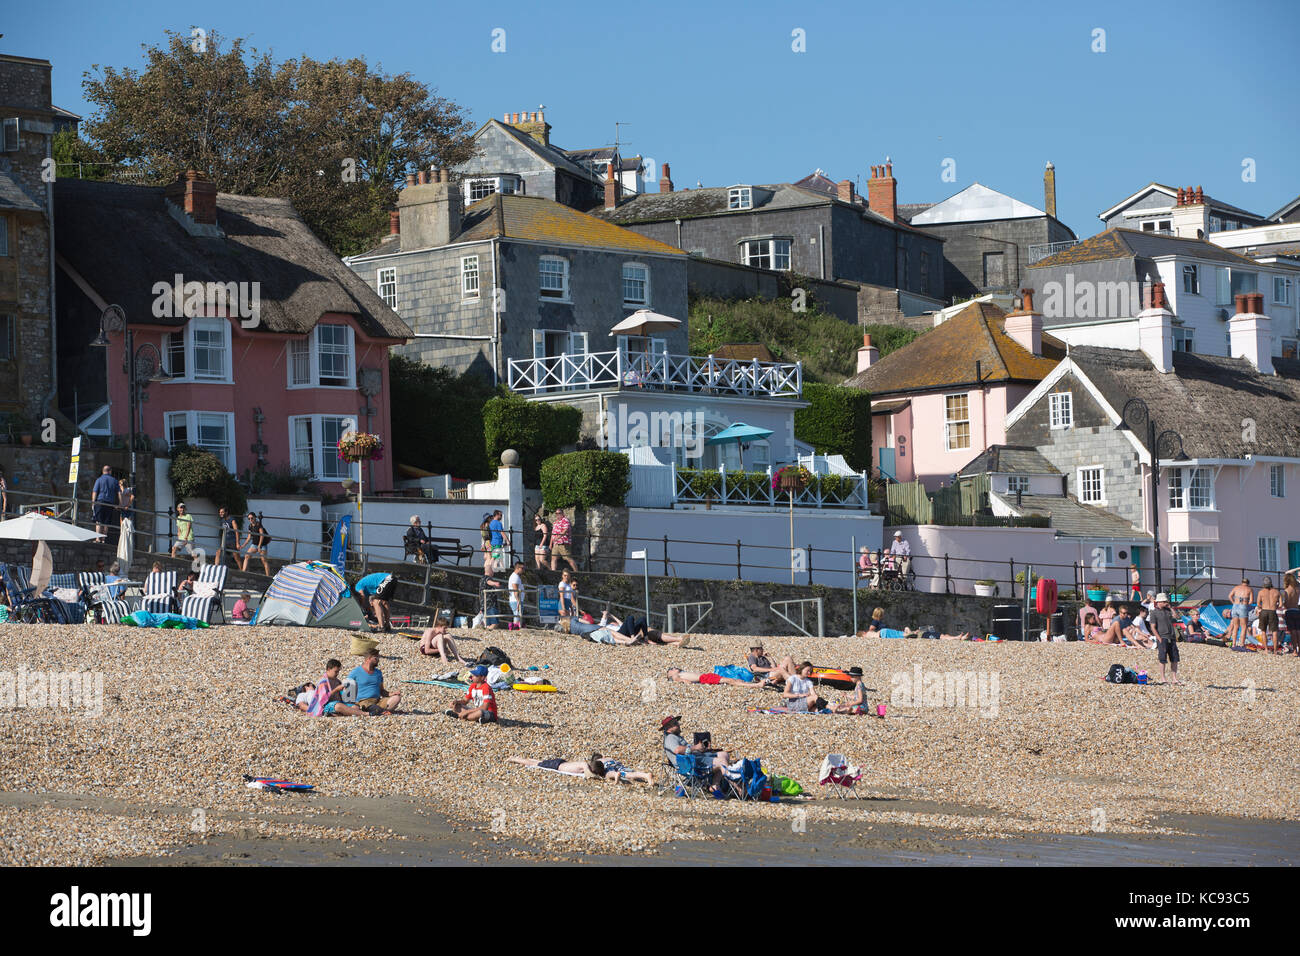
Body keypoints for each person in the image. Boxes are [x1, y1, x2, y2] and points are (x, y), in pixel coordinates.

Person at [660, 715, 730, 793]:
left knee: (724, 754)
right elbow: (677, 750)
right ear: (668, 728)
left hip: (695, 759)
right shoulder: (670, 738)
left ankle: (715, 784)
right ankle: (737, 787)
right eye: (675, 723)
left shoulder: (677, 737)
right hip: (690, 765)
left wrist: (702, 749)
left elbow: (688, 750)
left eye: (677, 722)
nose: (678, 724)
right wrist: (695, 747)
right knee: (722, 762)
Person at [348, 648, 401, 714]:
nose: (378, 660)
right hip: (363, 701)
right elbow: (347, 687)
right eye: (376, 658)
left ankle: (379, 711)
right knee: (367, 705)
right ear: (369, 658)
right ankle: (380, 711)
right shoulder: (356, 672)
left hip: (378, 701)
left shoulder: (378, 673)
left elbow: (382, 690)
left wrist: (391, 694)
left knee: (396, 698)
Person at [1149, 593, 1182, 685]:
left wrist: (1170, 607)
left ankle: (1174, 678)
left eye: (1166, 601)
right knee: (1162, 658)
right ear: (1159, 602)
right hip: (1162, 637)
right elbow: (1152, 627)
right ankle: (1163, 678)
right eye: (1164, 601)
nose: (1165, 603)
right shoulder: (1154, 612)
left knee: (1174, 658)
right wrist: (1158, 638)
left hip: (1171, 637)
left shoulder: (1168, 610)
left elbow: (1177, 617)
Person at [508, 755, 605, 778]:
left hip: (560, 763)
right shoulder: (584, 765)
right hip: (557, 765)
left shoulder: (585, 765)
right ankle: (514, 759)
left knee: (540, 762)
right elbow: (589, 774)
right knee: (534, 764)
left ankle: (523, 758)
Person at [1256, 577, 1282, 654]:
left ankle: (1266, 650)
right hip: (1273, 611)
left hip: (1264, 611)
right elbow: (1281, 604)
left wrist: (1262, 607)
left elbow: (1258, 604)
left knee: (1263, 630)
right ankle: (1275, 651)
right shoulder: (1277, 592)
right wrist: (1275, 607)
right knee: (1274, 631)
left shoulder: (1261, 592)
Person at [92, 465, 119, 537]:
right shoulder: (115, 481)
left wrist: (93, 502)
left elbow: (95, 492)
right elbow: (119, 493)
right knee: (106, 522)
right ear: (110, 471)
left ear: (103, 471)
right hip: (110, 503)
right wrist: (120, 504)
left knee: (99, 521)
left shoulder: (99, 480)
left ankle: (98, 538)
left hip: (100, 502)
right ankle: (103, 538)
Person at [241, 511, 271, 576]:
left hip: (262, 545)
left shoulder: (259, 525)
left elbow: (262, 535)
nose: (250, 520)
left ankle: (268, 576)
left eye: (252, 518)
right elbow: (249, 537)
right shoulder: (250, 526)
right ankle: (243, 572)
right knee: (246, 556)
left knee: (264, 560)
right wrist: (243, 545)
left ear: (255, 517)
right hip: (254, 544)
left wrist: (259, 546)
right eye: (249, 519)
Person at [1226, 578, 1254, 648]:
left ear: (1242, 582)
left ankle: (1234, 644)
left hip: (1235, 606)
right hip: (1243, 606)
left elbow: (1229, 596)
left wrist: (1234, 602)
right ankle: (1241, 644)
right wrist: (1246, 605)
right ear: (1248, 583)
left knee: (1235, 626)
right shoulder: (1249, 589)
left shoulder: (1236, 587)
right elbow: (1251, 601)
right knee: (1244, 626)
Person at [665, 667, 755, 687]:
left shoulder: (680, 673)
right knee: (729, 680)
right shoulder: (675, 676)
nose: (674, 668)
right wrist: (687, 682)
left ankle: (748, 683)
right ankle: (754, 685)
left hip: (705, 676)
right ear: (669, 674)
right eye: (671, 669)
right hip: (704, 678)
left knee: (731, 679)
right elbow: (682, 681)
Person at [550, 508, 577, 573]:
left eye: (559, 513)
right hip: (556, 543)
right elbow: (553, 533)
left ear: (562, 513)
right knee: (553, 558)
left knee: (568, 558)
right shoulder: (555, 522)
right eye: (556, 513)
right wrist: (551, 543)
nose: (557, 514)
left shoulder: (565, 520)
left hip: (564, 543)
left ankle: (577, 572)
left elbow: (565, 530)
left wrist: (558, 537)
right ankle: (553, 573)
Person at [1282, 573, 1300, 656]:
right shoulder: (1297, 589)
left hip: (1290, 611)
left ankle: (1295, 651)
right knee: (1298, 631)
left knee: (1293, 632)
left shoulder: (1286, 590)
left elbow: (1285, 603)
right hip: (1297, 610)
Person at [507, 561, 525, 630]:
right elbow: (515, 590)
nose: (523, 570)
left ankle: (516, 627)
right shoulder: (515, 577)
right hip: (515, 600)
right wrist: (518, 601)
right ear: (518, 568)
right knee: (517, 614)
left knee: (517, 615)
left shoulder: (516, 576)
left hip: (515, 600)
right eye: (522, 568)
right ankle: (515, 628)